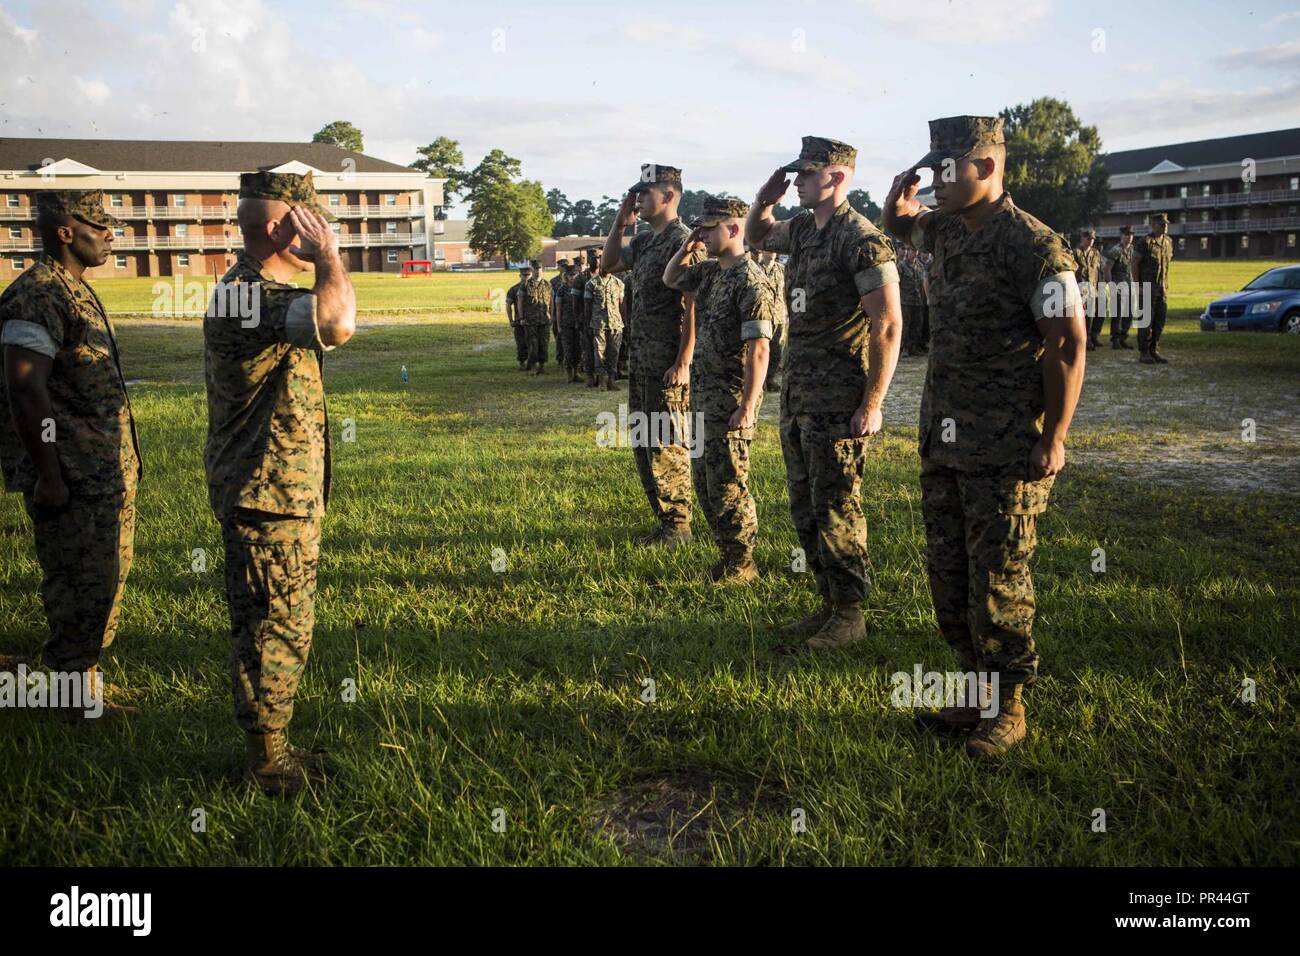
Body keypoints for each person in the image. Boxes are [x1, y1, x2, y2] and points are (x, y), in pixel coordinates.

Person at [882, 115, 1086, 758]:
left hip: (1003, 445)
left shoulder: (1035, 245)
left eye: (949, 169)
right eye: (933, 170)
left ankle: (1008, 707)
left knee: (999, 578)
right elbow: (899, 227)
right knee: (950, 574)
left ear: (988, 168)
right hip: (944, 438)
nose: (938, 182)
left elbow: (1068, 341)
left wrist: (1054, 436)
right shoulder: (946, 230)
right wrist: (898, 199)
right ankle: (973, 691)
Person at [204, 170, 356, 794]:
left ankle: (271, 744)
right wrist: (330, 257)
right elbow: (339, 323)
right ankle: (268, 764)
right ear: (279, 228)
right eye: (310, 220)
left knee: (275, 618)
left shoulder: (254, 290)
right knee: (274, 625)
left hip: (273, 488)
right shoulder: (252, 297)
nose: (321, 230)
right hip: (267, 494)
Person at [745, 136, 903, 650]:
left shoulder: (860, 239)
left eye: (806, 174)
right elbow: (758, 236)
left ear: (835, 177)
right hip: (799, 395)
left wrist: (872, 404)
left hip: (838, 398)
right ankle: (829, 603)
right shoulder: (806, 232)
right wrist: (765, 198)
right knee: (805, 505)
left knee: (837, 506)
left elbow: (887, 325)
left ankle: (851, 615)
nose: (798, 181)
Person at [0, 190, 142, 717]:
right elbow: (24, 388)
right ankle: (68, 699)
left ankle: (80, 689)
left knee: (100, 579)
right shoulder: (37, 294)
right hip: (71, 474)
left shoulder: (71, 289)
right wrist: (50, 474)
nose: (109, 236)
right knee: (76, 582)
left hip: (99, 471)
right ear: (65, 232)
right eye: (99, 227)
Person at [664, 196, 775, 584]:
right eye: (702, 227)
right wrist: (686, 247)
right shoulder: (710, 272)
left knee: (729, 481)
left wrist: (747, 405)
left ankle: (743, 562)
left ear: (734, 229)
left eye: (711, 228)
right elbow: (671, 279)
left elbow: (760, 349)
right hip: (703, 396)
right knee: (705, 480)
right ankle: (727, 556)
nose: (704, 234)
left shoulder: (751, 281)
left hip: (729, 398)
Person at [602, 164, 696, 549]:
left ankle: (679, 526)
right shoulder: (645, 241)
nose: (638, 197)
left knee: (666, 440)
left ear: (669, 196)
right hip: (642, 358)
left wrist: (684, 362)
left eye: (646, 191)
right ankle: (665, 521)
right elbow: (609, 265)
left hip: (668, 361)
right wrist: (620, 223)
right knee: (643, 440)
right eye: (637, 191)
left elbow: (694, 305)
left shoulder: (685, 240)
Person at [1132, 213, 1173, 364]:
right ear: (1154, 225)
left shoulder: (1168, 242)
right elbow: (1134, 263)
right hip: (1147, 288)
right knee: (1145, 321)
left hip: (1162, 288)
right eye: (1162, 224)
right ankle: (1144, 352)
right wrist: (1137, 285)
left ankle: (1154, 350)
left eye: (1166, 224)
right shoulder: (1145, 242)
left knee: (1159, 320)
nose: (1165, 227)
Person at [585, 262, 625, 391]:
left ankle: (612, 380)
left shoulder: (619, 283)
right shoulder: (591, 284)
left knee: (614, 352)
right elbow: (587, 305)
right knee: (599, 352)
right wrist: (588, 323)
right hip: (599, 323)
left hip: (615, 323)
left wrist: (624, 320)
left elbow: (622, 304)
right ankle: (602, 380)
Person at [757, 249, 786, 392]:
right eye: (769, 249)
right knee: (760, 350)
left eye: (775, 249)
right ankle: (759, 382)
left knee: (776, 351)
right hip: (762, 317)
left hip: (779, 316)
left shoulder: (782, 270)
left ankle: (770, 378)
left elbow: (789, 292)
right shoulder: (755, 269)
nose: (773, 252)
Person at [1104, 226, 1135, 349]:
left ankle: (1123, 337)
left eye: (1131, 234)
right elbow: (1107, 268)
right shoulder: (1116, 250)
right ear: (1121, 236)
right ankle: (1115, 339)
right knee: (1117, 314)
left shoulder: (1133, 250)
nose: (1129, 237)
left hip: (1130, 285)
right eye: (1126, 234)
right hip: (1118, 285)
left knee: (1129, 313)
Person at [520, 259, 553, 375]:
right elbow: (520, 301)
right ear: (532, 270)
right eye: (535, 269)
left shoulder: (547, 284)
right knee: (532, 344)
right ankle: (533, 367)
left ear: (542, 270)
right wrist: (521, 317)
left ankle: (542, 366)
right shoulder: (526, 285)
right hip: (531, 320)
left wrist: (552, 315)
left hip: (544, 319)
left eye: (539, 269)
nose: (537, 271)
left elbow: (551, 301)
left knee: (544, 343)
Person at [1074, 229, 1103, 350]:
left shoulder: (1095, 253)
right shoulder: (1076, 253)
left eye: (1092, 239)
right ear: (1082, 238)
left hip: (1092, 289)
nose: (1091, 241)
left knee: (1091, 315)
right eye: (1088, 239)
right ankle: (1081, 340)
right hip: (1080, 289)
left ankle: (1089, 338)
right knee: (1080, 316)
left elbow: (1097, 271)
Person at [506, 266, 530, 370]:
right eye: (524, 275)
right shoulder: (514, 289)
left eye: (528, 275)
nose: (526, 277)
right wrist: (511, 320)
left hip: (533, 320)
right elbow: (508, 305)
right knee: (521, 343)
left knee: (532, 343)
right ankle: (522, 362)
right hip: (519, 321)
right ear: (520, 276)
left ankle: (531, 362)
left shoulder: (535, 288)